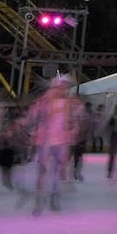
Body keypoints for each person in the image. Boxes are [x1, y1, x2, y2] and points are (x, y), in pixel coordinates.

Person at [25, 74, 80, 216]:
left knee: (57, 170)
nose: (64, 88)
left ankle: (53, 198)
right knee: (43, 170)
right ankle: (40, 200)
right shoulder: (46, 100)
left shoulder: (69, 102)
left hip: (60, 141)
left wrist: (73, 131)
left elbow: (75, 120)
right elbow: (33, 114)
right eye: (62, 85)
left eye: (66, 86)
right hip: (47, 140)